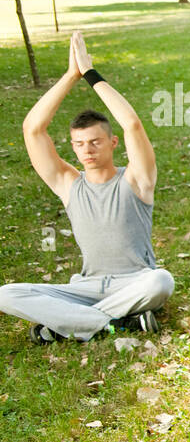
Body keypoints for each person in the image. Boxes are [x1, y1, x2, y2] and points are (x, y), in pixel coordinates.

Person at [0, 32, 173, 342]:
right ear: (73, 148)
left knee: (162, 281)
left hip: (135, 283)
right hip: (84, 287)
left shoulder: (136, 179)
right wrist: (70, 75)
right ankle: (115, 323)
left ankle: (65, 327)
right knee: (5, 294)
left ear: (112, 142)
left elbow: (132, 123)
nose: (88, 150)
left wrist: (90, 73)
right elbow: (32, 129)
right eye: (80, 144)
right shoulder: (68, 184)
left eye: (95, 142)